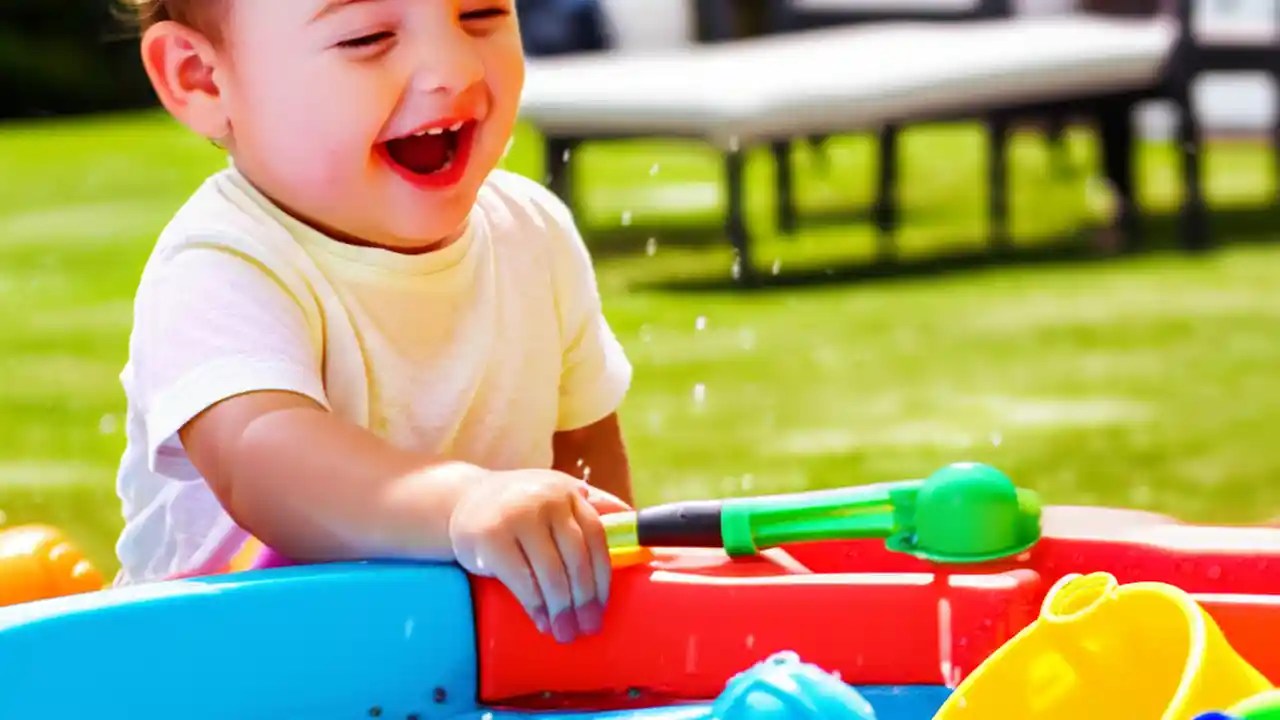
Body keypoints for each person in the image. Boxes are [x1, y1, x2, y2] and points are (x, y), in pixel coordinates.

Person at [114, 0, 634, 646]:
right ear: (202, 78)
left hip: (465, 669)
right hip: (232, 672)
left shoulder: (534, 234)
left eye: (480, 14)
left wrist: (608, 574)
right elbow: (265, 462)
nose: (452, 70)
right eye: (368, 37)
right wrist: (463, 502)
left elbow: (587, 461)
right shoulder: (223, 264)